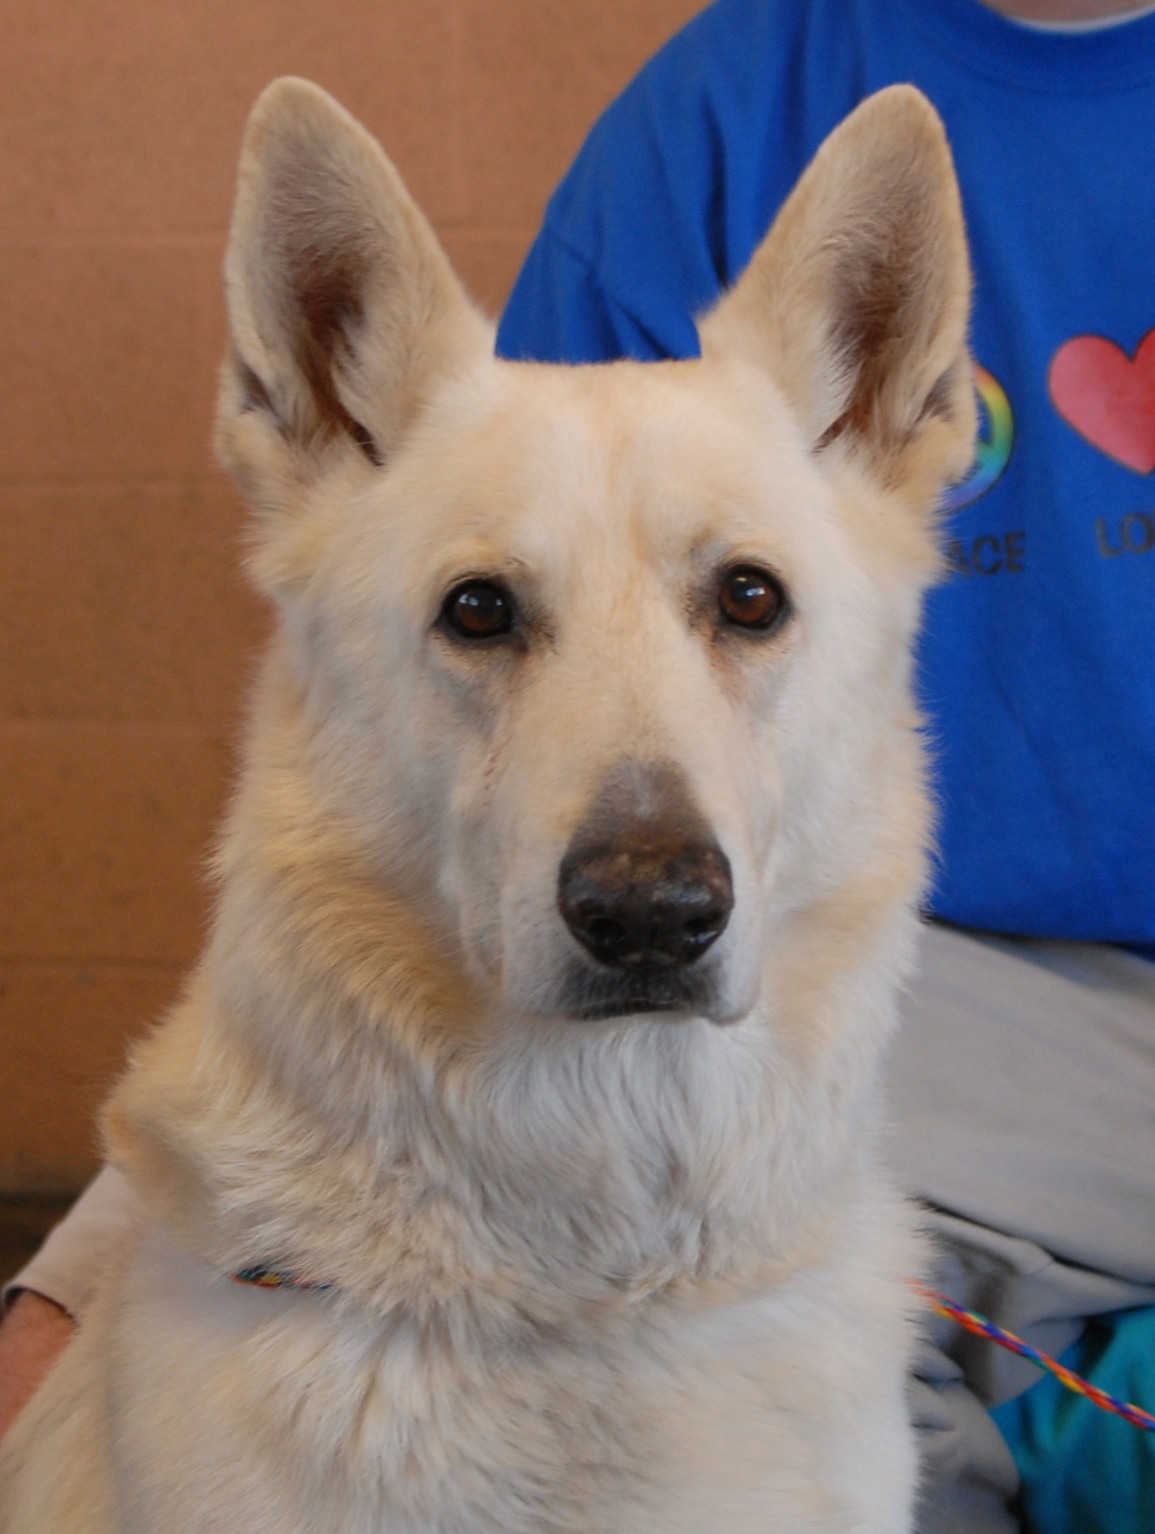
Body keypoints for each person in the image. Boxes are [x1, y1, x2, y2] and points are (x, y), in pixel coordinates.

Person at [4, 0, 1155, 1527]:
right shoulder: (732, 104)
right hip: (946, 991)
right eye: (490, 615)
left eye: (745, 602)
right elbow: (366, 734)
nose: (644, 871)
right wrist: (106, 1270)